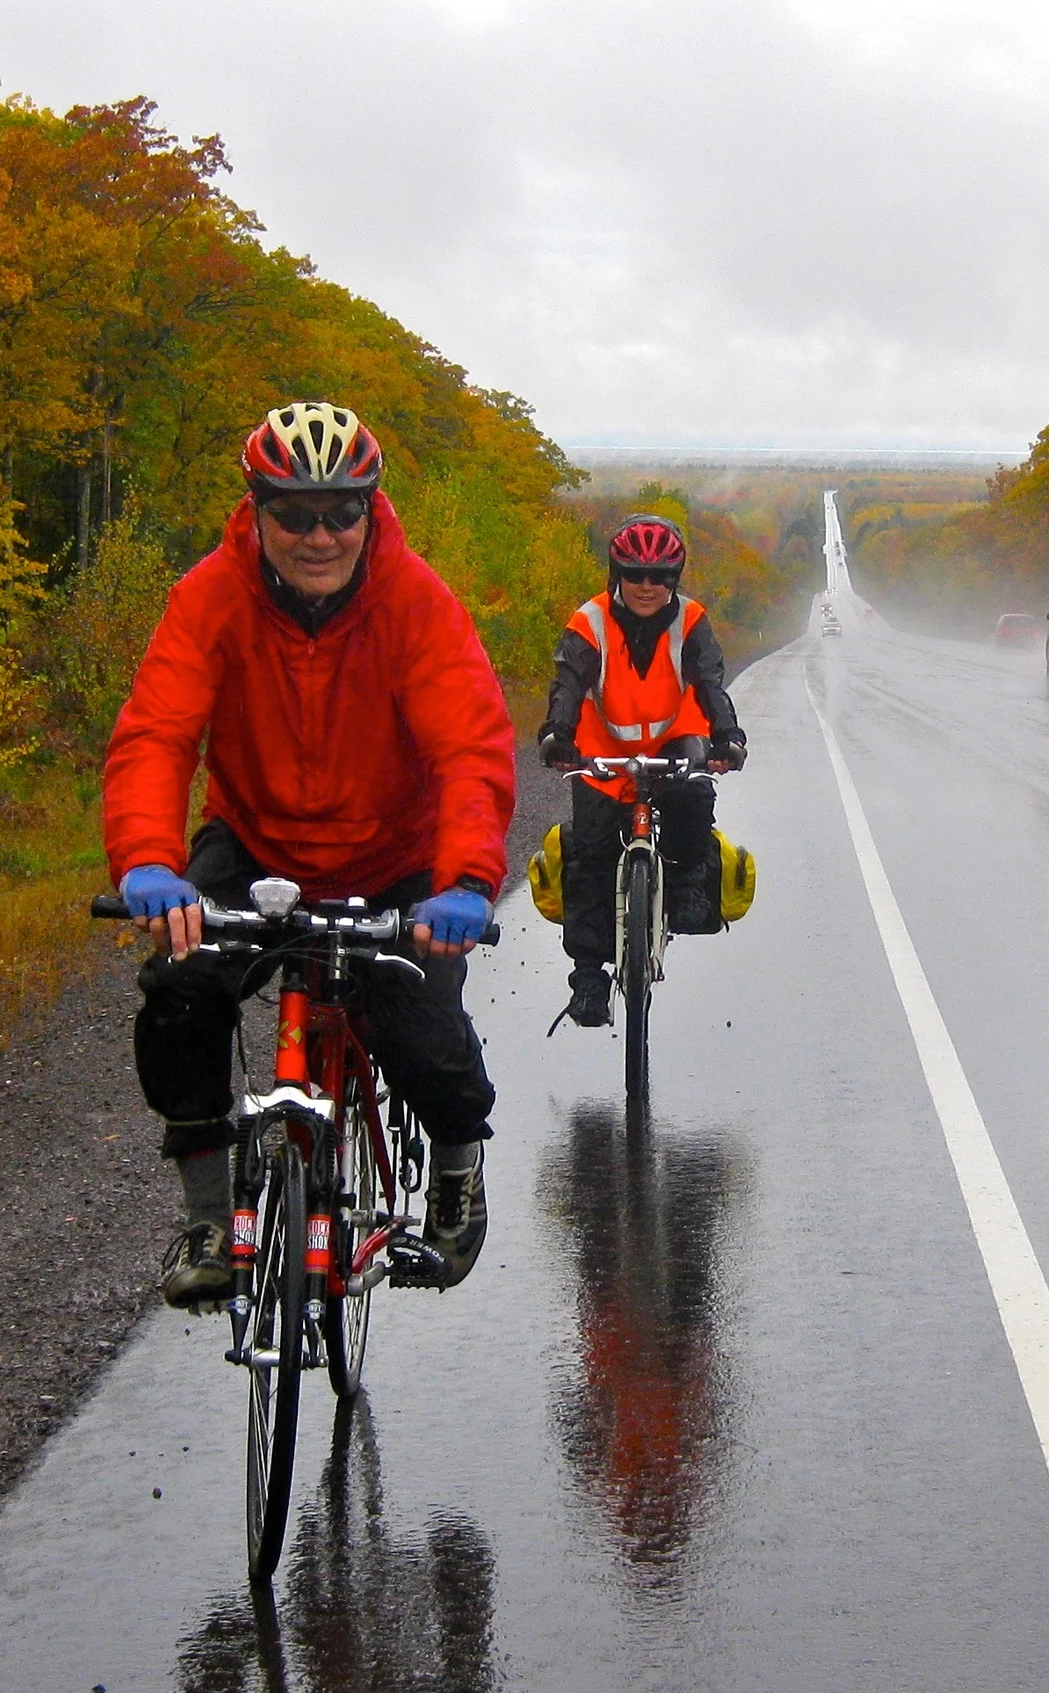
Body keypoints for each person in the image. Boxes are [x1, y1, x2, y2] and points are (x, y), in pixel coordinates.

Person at [104, 401, 515, 1310]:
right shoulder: (210, 595)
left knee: (419, 1025)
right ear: (256, 511)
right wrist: (147, 861)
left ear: (371, 511)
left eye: (341, 512)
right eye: (293, 513)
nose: (318, 535)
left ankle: (455, 1163)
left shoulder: (416, 603)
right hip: (257, 843)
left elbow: (471, 749)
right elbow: (156, 734)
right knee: (178, 994)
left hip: (394, 855)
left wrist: (465, 881)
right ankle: (211, 1217)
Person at [537, 513, 747, 1026]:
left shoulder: (691, 619)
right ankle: (588, 978)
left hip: (676, 741)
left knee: (694, 805)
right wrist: (556, 735)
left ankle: (682, 892)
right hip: (602, 749)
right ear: (617, 573)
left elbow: (710, 682)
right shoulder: (589, 620)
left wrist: (728, 737)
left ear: (676, 578)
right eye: (636, 575)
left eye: (662, 577)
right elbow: (568, 681)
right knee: (589, 854)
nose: (648, 586)